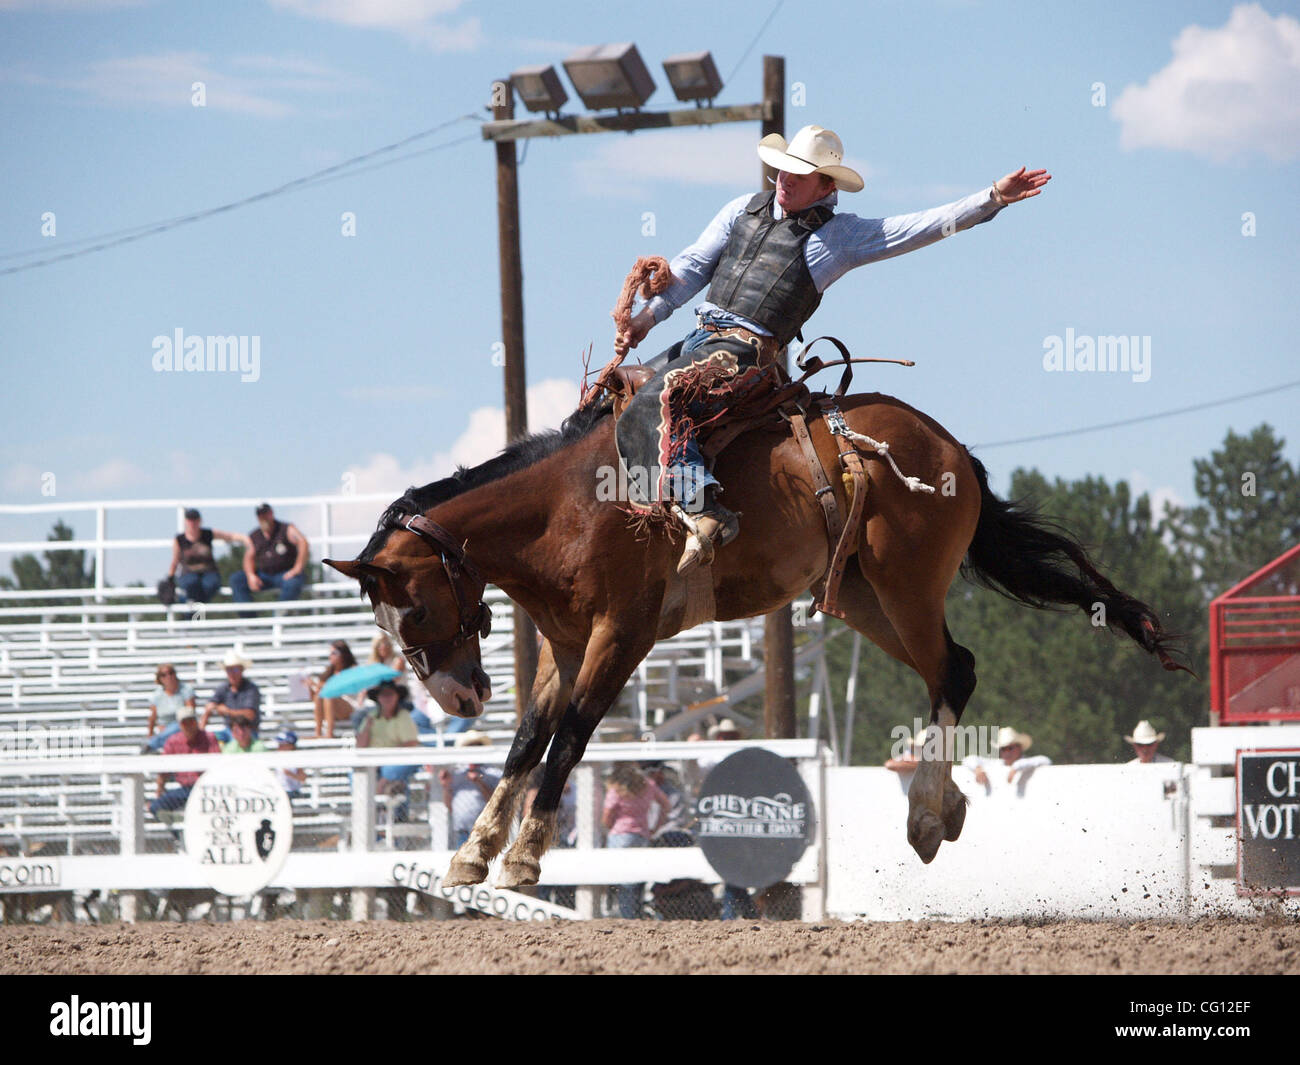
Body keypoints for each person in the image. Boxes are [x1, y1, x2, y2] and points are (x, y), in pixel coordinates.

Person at [613, 124, 1050, 573]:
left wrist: (991, 198)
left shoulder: (838, 238)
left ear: (826, 185)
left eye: (800, 174)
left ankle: (704, 509)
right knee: (615, 390)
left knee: (652, 403)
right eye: (784, 170)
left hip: (746, 354)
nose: (785, 179)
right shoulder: (739, 210)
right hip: (699, 340)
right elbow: (690, 268)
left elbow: (920, 228)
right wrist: (644, 321)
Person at [602, 763, 672, 919]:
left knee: (623, 881)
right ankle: (635, 914)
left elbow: (607, 816)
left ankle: (627, 916)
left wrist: (610, 827)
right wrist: (655, 826)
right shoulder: (648, 785)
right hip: (642, 835)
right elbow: (666, 805)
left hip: (620, 836)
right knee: (638, 879)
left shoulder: (617, 789)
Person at [229, 503, 310, 604]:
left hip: (286, 574)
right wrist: (250, 575)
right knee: (237, 579)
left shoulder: (286, 528)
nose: (264, 518)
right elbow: (248, 558)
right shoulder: (254, 535)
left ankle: (279, 616)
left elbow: (303, 542)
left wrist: (297, 568)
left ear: (271, 513)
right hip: (264, 575)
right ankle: (249, 617)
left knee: (293, 583)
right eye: (260, 515)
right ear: (257, 517)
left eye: (266, 514)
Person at [149, 706, 220, 815]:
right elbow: (164, 770)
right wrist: (160, 789)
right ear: (180, 725)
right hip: (185, 790)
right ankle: (180, 828)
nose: (188, 726)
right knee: (156, 807)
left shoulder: (209, 738)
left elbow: (217, 764)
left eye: (190, 721)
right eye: (184, 723)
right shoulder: (173, 741)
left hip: (207, 789)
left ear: (195, 722)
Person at [167, 508, 247, 604]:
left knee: (211, 584)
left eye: (194, 520)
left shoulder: (208, 534)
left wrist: (244, 538)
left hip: (209, 571)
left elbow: (228, 536)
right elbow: (175, 561)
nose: (192, 523)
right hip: (188, 572)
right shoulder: (179, 539)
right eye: (190, 520)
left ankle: (190, 606)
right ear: (186, 522)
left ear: (199, 521)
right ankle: (193, 608)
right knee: (191, 584)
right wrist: (170, 578)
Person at [356, 680, 421, 795]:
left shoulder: (404, 716)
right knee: (357, 773)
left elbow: (411, 743)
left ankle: (379, 791)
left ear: (397, 696)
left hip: (396, 760)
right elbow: (360, 746)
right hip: (373, 762)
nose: (387, 698)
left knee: (392, 771)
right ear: (378, 698)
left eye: (390, 694)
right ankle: (373, 798)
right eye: (383, 694)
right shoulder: (371, 716)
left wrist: (387, 756)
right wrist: (367, 728)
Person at [439, 732, 500, 848]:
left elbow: (496, 803)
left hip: (485, 830)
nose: (474, 750)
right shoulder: (456, 774)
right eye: (470, 747)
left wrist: (479, 783)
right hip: (462, 832)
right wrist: (446, 786)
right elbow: (448, 805)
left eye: (477, 746)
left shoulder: (493, 773)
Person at [200, 649, 262, 739]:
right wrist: (201, 730)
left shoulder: (251, 689)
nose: (232, 673)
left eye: (235, 669)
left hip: (247, 731)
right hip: (229, 730)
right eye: (229, 670)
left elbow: (250, 715)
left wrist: (227, 711)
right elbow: (209, 707)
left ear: (241, 670)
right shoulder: (223, 688)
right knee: (210, 740)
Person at [963, 726, 1052, 787]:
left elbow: (1046, 760)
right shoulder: (997, 764)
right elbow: (968, 759)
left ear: (1019, 747)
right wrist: (977, 768)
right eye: (1003, 749)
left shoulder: (1028, 762)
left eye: (1010, 748)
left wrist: (1017, 766)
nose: (1006, 752)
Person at [308, 639, 360, 739]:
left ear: (343, 654)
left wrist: (318, 685)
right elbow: (315, 696)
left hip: (350, 705)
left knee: (328, 695)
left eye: (334, 653)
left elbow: (341, 689)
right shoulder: (329, 671)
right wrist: (310, 687)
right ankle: (318, 733)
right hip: (333, 707)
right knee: (319, 696)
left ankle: (329, 734)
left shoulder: (353, 669)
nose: (330, 656)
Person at [144, 663, 196, 752]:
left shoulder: (186, 690)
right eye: (164, 675)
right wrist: (150, 733)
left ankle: (151, 746)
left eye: (171, 673)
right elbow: (153, 717)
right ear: (159, 679)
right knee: (168, 733)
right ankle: (155, 743)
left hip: (184, 726)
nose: (168, 676)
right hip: (164, 729)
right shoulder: (157, 695)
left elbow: (190, 712)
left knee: (176, 726)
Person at [273, 729, 306, 794]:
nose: (279, 747)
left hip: (291, 792)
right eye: (279, 744)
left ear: (291, 746)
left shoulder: (296, 759)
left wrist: (290, 774)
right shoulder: (276, 757)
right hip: (277, 791)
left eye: (282, 744)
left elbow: (303, 778)